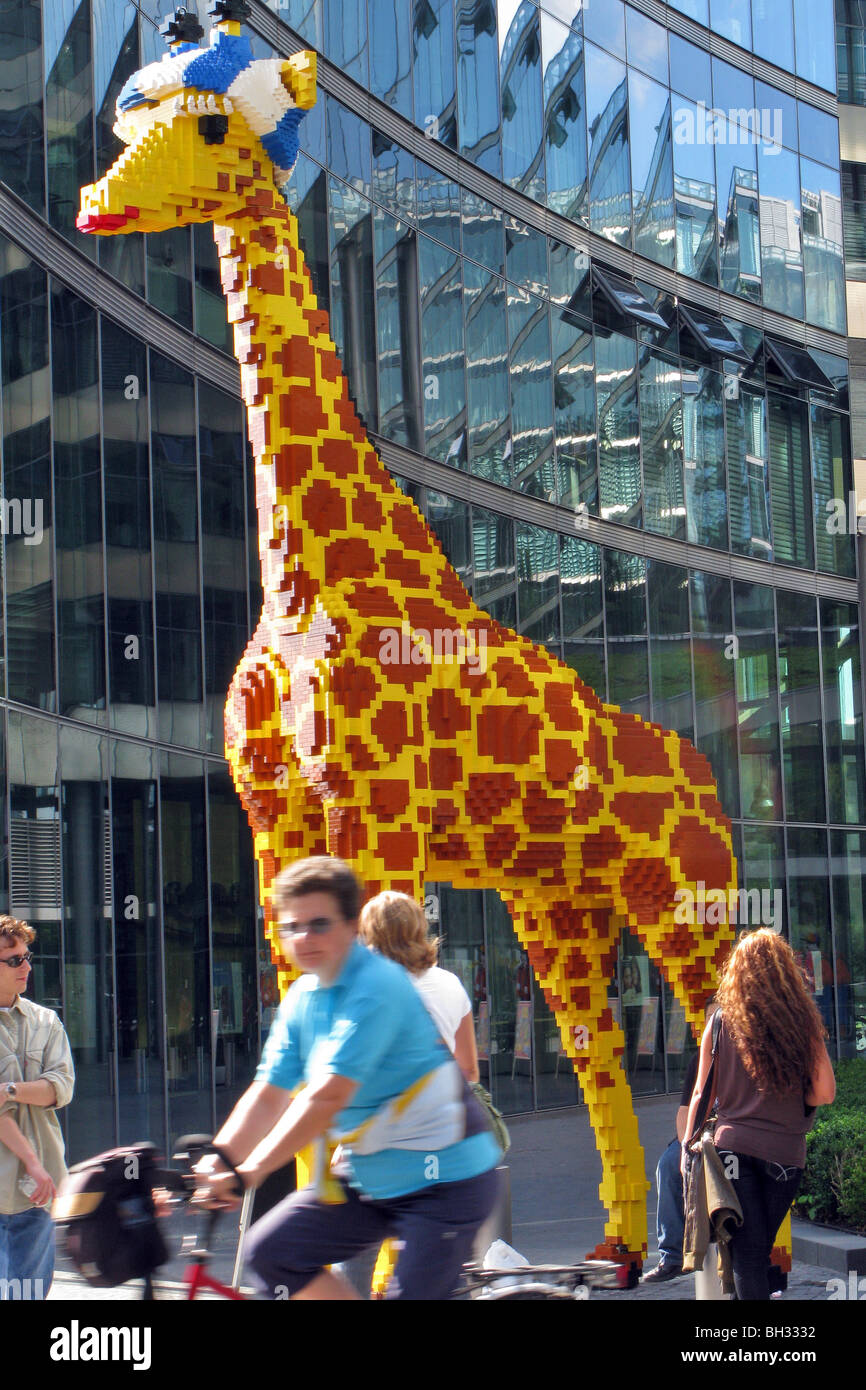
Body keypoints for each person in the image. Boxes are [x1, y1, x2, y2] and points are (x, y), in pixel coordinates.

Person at [198, 857, 502, 1300]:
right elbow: (268, 1093)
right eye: (291, 927)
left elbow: (325, 1099)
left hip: (447, 1182)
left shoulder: (378, 988)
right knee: (270, 1252)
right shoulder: (303, 997)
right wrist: (221, 1158)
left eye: (319, 924)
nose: (304, 938)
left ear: (350, 926)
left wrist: (250, 1171)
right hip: (371, 1175)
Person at [682, 929, 836, 1301]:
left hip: (733, 1149)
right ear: (786, 971)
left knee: (745, 1257)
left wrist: (688, 1149)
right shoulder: (803, 1024)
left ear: (736, 974)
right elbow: (825, 1092)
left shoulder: (718, 1023)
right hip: (785, 1157)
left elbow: (703, 1093)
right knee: (753, 1253)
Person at [0, 917, 75, 1300]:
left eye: (26, 957)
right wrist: (30, 1160)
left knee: (27, 1295)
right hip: (20, 1179)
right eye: (13, 960)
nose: (26, 967)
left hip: (37, 1192)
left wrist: (11, 1090)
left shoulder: (46, 1021)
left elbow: (60, 1089)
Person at [358, 891, 479, 1083]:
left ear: (371, 934)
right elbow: (469, 1070)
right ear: (420, 927)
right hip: (438, 1105)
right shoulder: (450, 982)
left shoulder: (366, 988)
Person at [643, 998, 715, 1284]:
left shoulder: (744, 1053)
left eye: (719, 1017)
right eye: (709, 1018)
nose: (714, 1023)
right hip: (699, 1134)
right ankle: (671, 1255)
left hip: (732, 1134)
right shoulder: (699, 1059)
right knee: (669, 1163)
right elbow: (685, 1110)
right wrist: (686, 1145)